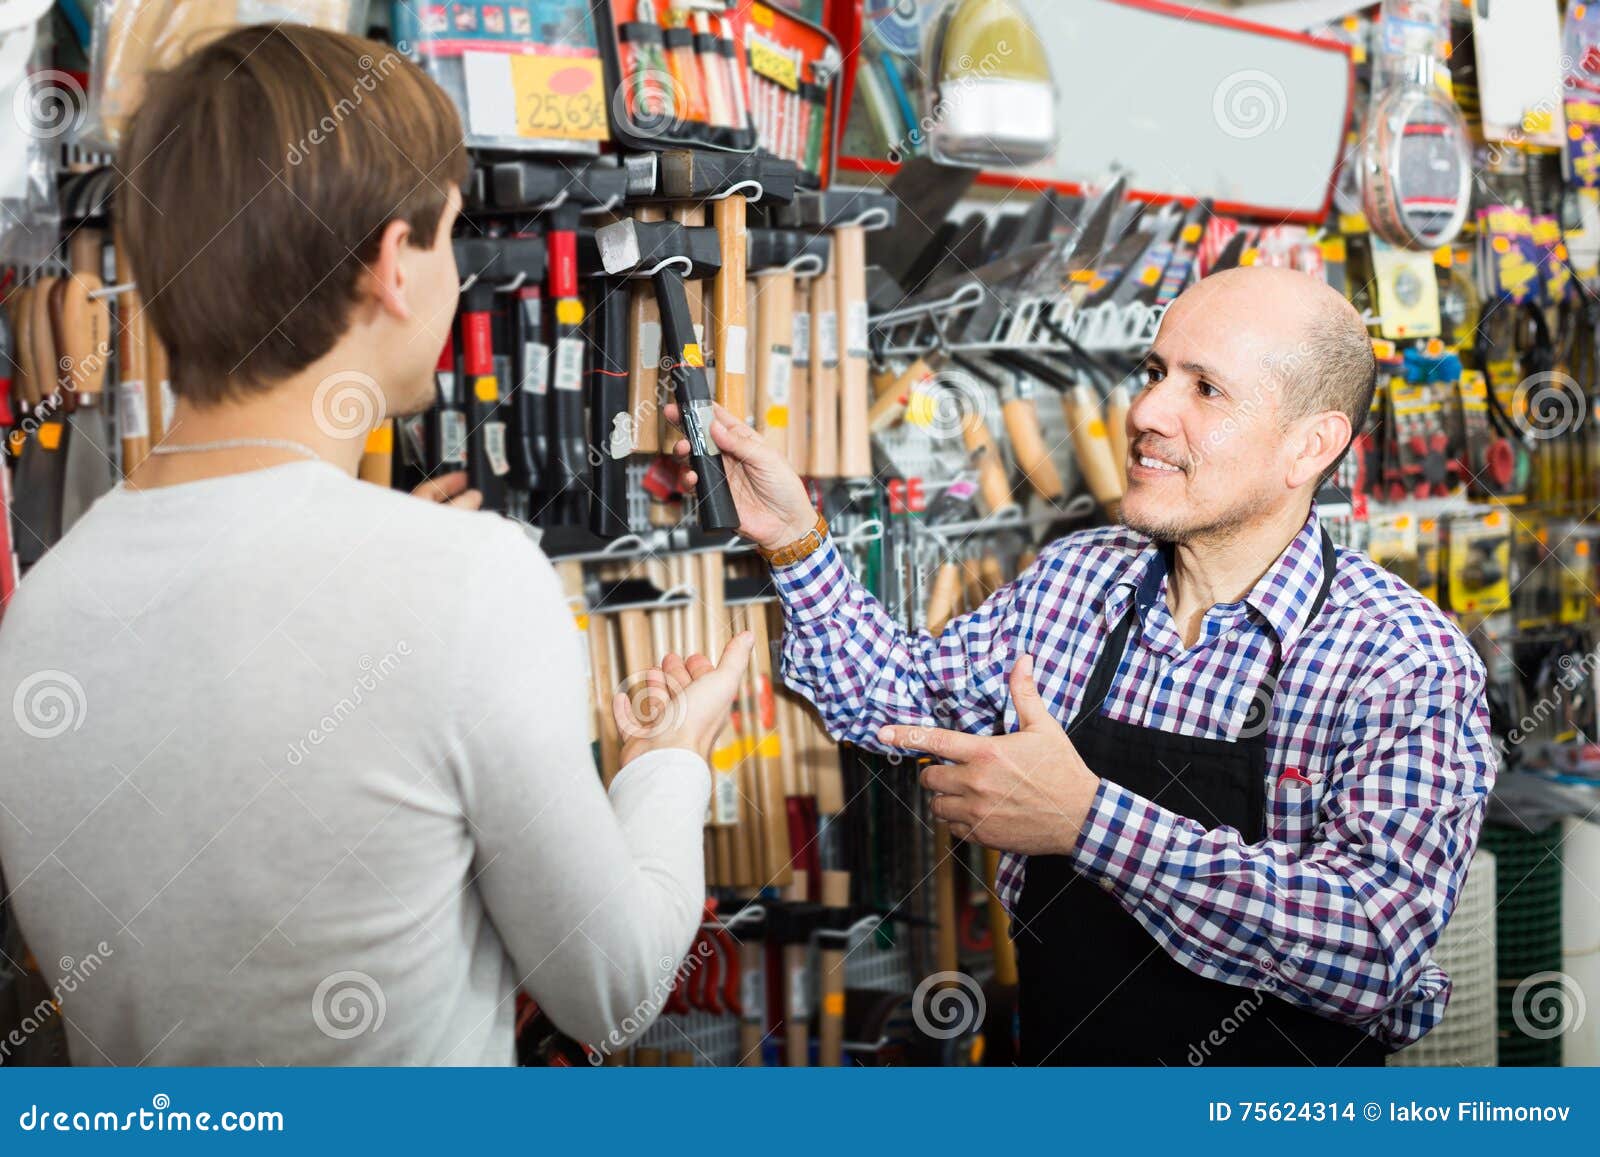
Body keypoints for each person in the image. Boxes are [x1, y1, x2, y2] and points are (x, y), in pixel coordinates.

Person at [0, 24, 750, 1065]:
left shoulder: (42, 612)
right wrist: (667, 763)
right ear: (395, 264)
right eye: (448, 234)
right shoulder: (469, 581)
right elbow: (612, 991)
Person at [668, 265, 1495, 1066]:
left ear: (1310, 445)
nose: (1145, 411)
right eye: (1154, 371)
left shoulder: (1400, 661)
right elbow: (897, 701)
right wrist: (792, 536)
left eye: (1204, 389)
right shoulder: (1081, 577)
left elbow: (1372, 944)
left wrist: (1090, 823)